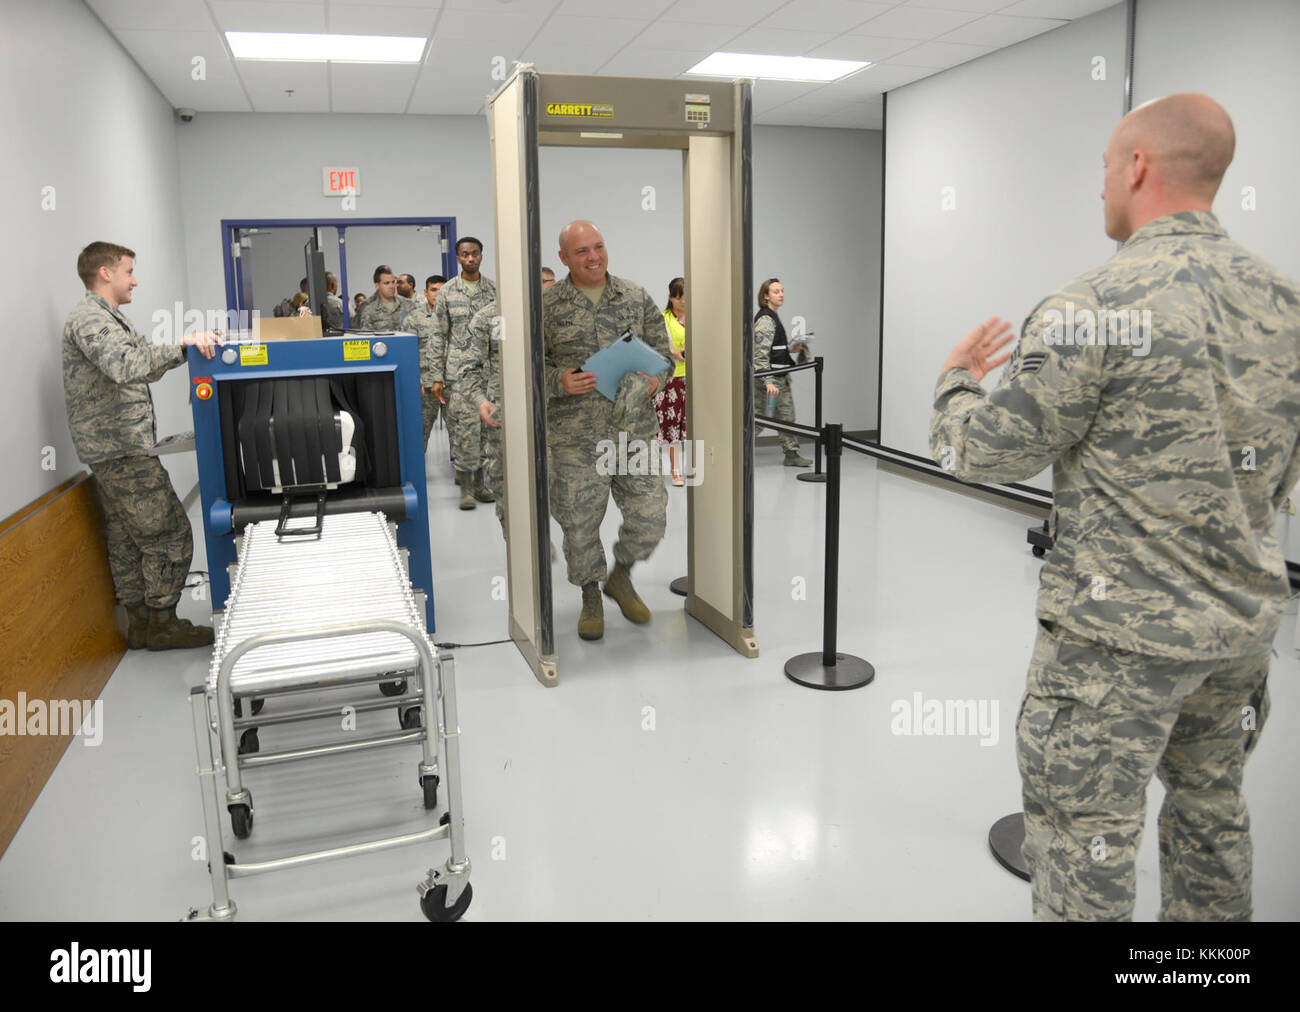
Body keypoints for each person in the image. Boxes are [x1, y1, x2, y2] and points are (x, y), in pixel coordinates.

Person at [928, 93, 1300, 921]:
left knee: (1083, 837)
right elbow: (1281, 474)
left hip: (1114, 649)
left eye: (1104, 167)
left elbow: (982, 451)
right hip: (1239, 636)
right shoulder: (1287, 306)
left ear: (1137, 167)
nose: (1101, 186)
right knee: (1212, 818)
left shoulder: (1092, 305)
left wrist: (955, 381)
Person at [61, 242, 222, 650]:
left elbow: (142, 359)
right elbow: (125, 366)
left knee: (128, 538)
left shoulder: (109, 318)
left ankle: (141, 625)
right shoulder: (89, 319)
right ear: (105, 273)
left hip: (116, 447)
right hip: (119, 448)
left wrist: (183, 350)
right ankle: (163, 624)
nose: (135, 280)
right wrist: (184, 344)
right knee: (170, 533)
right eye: (129, 271)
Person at [544, 220, 674, 641]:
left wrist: (657, 379)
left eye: (598, 246)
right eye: (581, 251)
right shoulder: (547, 306)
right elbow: (526, 367)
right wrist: (558, 380)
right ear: (564, 258)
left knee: (651, 516)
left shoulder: (634, 295)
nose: (593, 256)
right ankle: (590, 595)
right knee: (579, 523)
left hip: (633, 430)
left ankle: (620, 577)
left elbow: (665, 355)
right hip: (574, 436)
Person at [428, 237, 497, 509]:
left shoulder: (493, 291)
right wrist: (436, 376)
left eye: (475, 254)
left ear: (482, 255)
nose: (470, 259)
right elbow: (438, 335)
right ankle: (466, 488)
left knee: (486, 431)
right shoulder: (447, 292)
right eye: (465, 255)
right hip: (459, 374)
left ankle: (482, 484)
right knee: (465, 431)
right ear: (458, 258)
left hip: (489, 373)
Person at [754, 278, 811, 467]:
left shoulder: (773, 317)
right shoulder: (765, 320)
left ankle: (791, 454)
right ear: (765, 296)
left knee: (786, 417)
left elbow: (773, 350)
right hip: (769, 382)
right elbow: (759, 354)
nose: (781, 294)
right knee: (758, 420)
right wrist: (767, 381)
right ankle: (735, 452)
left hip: (780, 379)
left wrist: (790, 349)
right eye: (776, 291)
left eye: (782, 291)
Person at [463, 300, 505, 532]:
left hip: (554, 410)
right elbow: (469, 366)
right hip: (503, 407)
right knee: (506, 480)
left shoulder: (552, 310)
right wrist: (480, 400)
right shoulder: (487, 316)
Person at [406, 274, 448, 450]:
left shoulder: (454, 316)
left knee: (462, 435)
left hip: (452, 384)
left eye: (442, 290)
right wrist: (417, 380)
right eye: (433, 290)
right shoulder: (414, 318)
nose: (437, 294)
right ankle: (417, 476)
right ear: (425, 292)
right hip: (427, 385)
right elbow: (408, 353)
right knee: (419, 435)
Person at [654, 277, 688, 486]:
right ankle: (675, 471)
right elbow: (656, 346)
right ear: (671, 298)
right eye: (678, 297)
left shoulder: (697, 317)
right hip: (670, 379)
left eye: (686, 297)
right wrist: (673, 353)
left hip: (694, 377)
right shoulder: (662, 319)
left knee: (690, 425)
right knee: (670, 427)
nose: (683, 302)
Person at [357, 264, 413, 331]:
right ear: (377, 286)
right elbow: (368, 337)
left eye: (393, 282)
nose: (391, 286)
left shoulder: (409, 304)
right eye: (386, 283)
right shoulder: (369, 311)